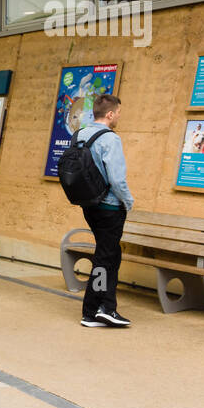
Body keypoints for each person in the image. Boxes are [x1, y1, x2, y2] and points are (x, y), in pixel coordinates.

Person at [77, 93, 134, 329]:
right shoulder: (110, 139)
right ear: (110, 114)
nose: (119, 116)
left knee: (108, 255)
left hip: (89, 205)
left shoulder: (80, 135)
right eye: (118, 113)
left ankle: (97, 310)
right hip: (109, 206)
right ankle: (100, 309)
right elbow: (117, 179)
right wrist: (128, 202)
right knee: (104, 258)